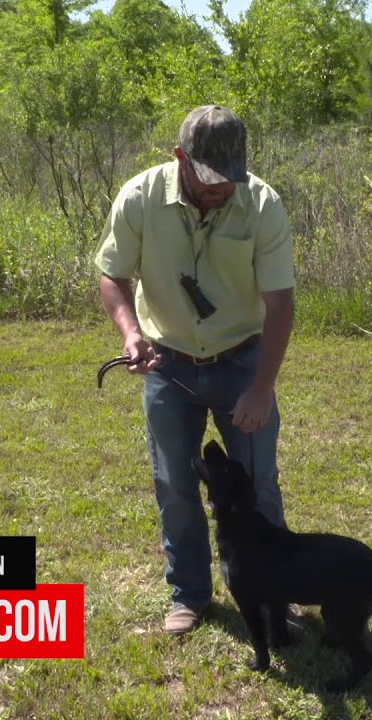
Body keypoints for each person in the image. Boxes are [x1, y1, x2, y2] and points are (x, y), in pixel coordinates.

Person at [94, 105, 296, 635]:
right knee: (175, 483)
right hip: (169, 364)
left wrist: (262, 387)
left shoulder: (262, 204)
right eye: (209, 179)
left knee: (258, 484)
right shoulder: (139, 198)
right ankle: (189, 595)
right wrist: (131, 334)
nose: (221, 189)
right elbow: (111, 275)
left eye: (230, 178)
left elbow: (279, 303)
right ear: (180, 159)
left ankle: (274, 594)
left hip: (242, 360)